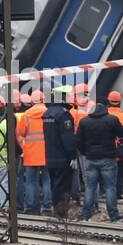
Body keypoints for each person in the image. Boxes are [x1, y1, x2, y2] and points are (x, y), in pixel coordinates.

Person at [75, 95, 123, 222]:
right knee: (110, 187)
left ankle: (86, 214)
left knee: (90, 187)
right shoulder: (112, 119)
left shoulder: (84, 121)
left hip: (91, 158)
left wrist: (86, 152)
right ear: (106, 108)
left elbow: (78, 141)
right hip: (108, 158)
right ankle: (113, 215)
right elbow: (122, 133)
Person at [43, 87, 77, 218]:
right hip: (63, 157)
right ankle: (61, 212)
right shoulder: (63, 115)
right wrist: (73, 156)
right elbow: (67, 138)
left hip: (50, 156)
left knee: (54, 184)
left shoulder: (47, 114)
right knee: (63, 186)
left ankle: (56, 208)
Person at [16, 89, 52, 214]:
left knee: (31, 181)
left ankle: (32, 207)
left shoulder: (26, 115)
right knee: (47, 179)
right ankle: (47, 207)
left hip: (30, 154)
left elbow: (20, 133)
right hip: (47, 153)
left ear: (32, 101)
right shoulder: (49, 113)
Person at [106, 90, 123, 199]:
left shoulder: (103, 115)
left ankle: (106, 192)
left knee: (106, 172)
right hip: (121, 151)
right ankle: (117, 194)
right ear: (120, 102)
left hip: (106, 149)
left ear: (108, 101)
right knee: (120, 173)